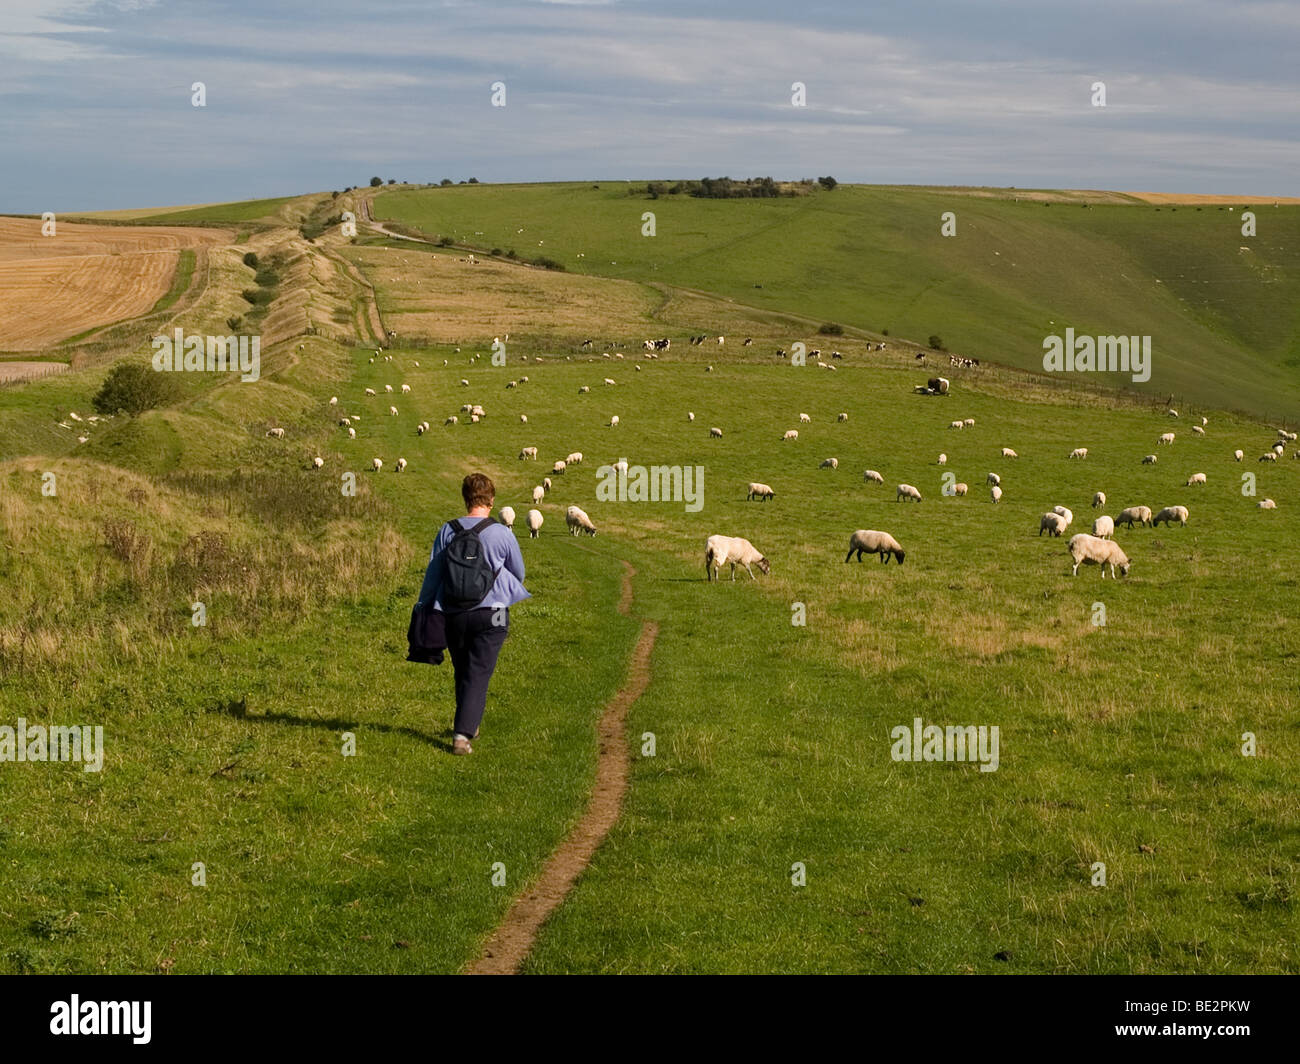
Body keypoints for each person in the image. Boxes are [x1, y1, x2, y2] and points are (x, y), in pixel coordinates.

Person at [417, 473, 529, 754]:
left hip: (453, 611)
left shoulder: (448, 530)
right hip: (494, 614)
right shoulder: (502, 532)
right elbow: (519, 573)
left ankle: (470, 723)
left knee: (464, 669)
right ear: (491, 501)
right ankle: (462, 735)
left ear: (466, 499)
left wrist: (424, 607)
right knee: (479, 671)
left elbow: (434, 573)